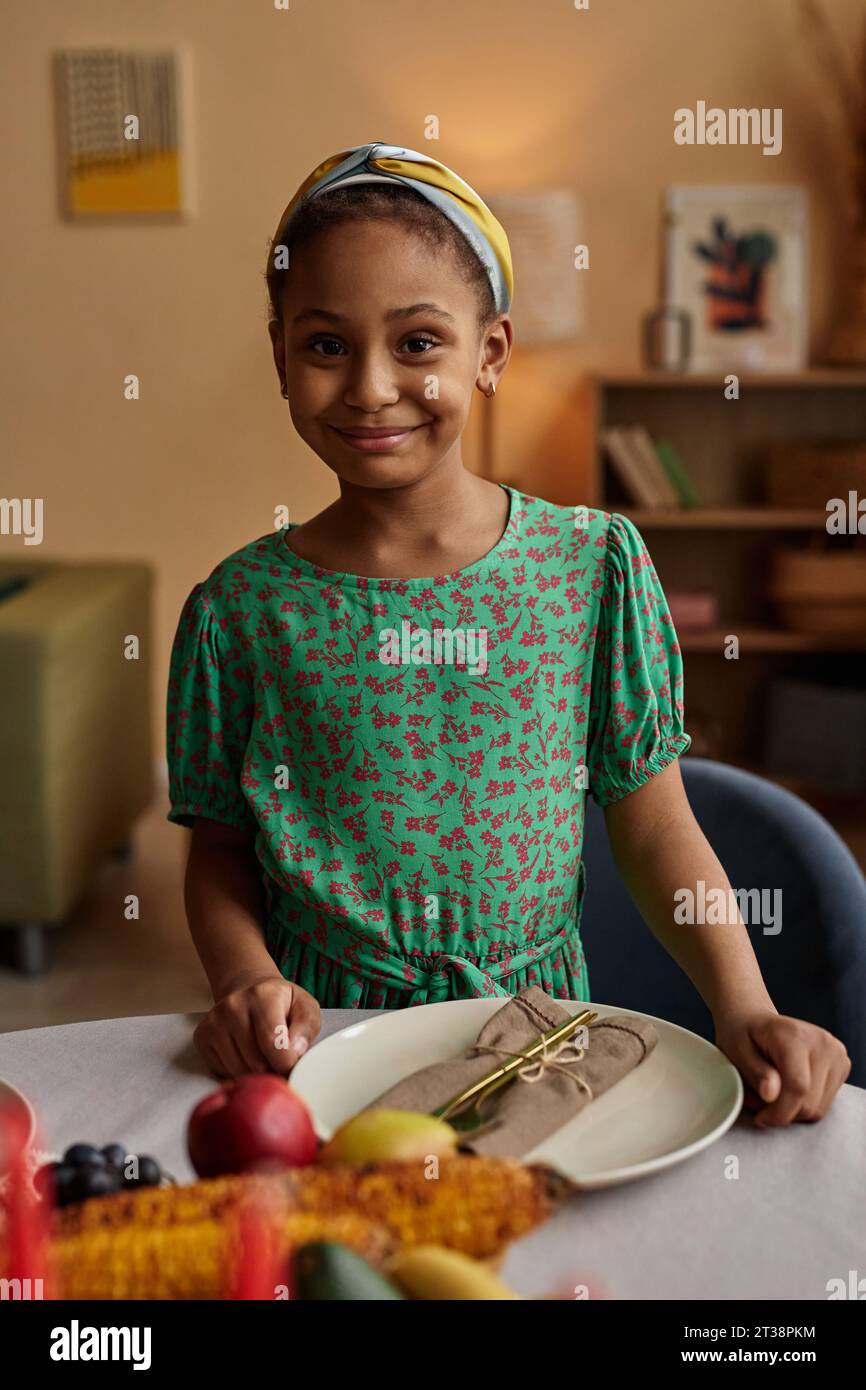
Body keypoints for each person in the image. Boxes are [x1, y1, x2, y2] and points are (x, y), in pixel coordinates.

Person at [166, 142, 850, 1125]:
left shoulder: (590, 567)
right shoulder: (239, 609)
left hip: (540, 1042)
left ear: (487, 353)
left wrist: (741, 1003)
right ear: (280, 355)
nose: (368, 385)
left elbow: (654, 824)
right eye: (324, 345)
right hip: (323, 1050)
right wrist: (242, 981)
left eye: (416, 343)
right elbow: (219, 850)